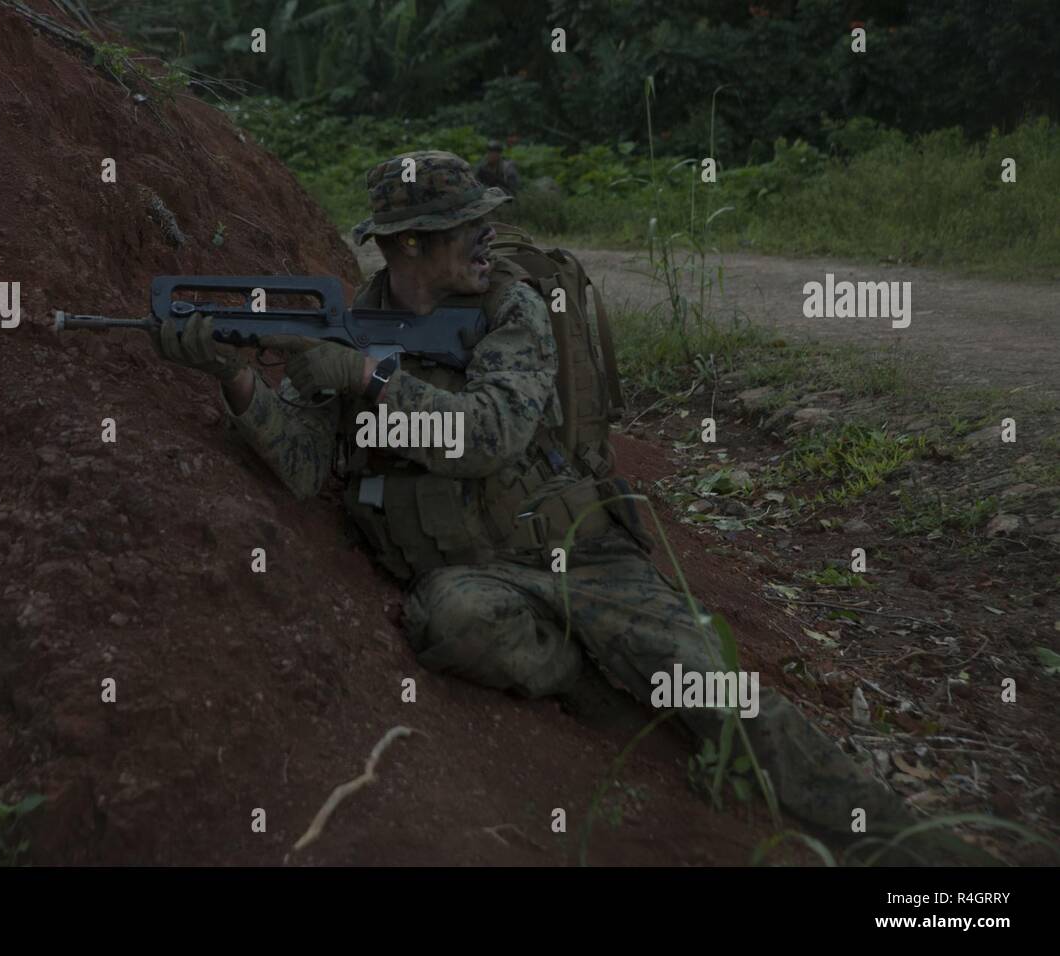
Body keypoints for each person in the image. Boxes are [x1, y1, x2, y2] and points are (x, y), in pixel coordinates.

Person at [151, 150, 926, 849]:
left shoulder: (512, 309)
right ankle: (605, 685)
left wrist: (368, 379)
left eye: (487, 221)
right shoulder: (353, 319)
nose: (489, 237)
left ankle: (919, 852)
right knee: (452, 625)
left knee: (710, 683)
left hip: (579, 551)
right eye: (467, 228)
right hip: (478, 575)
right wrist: (239, 380)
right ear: (410, 244)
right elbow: (303, 462)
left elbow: (489, 434)